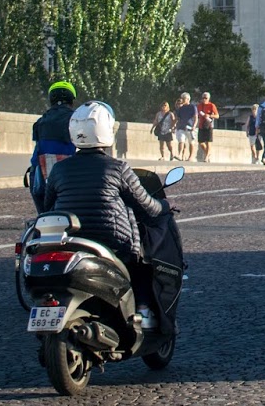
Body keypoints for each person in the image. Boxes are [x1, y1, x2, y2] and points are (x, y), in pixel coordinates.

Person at [38, 101, 165, 296]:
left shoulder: (59, 169)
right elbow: (146, 207)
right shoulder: (117, 168)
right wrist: (163, 206)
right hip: (113, 243)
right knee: (143, 269)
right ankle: (144, 313)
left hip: (71, 241)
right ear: (107, 130)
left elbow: (48, 207)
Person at [28, 81, 79, 210]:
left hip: (43, 180)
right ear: (71, 100)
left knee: (44, 214)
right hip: (69, 180)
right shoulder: (77, 120)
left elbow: (37, 156)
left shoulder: (40, 123)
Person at [172, 93, 196, 161]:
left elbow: (195, 117)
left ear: (188, 99)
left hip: (190, 127)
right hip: (181, 127)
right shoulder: (181, 108)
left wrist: (194, 126)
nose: (182, 100)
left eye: (184, 98)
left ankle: (191, 156)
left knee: (191, 142)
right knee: (181, 140)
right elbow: (177, 118)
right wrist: (173, 126)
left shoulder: (192, 107)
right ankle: (180, 154)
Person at [195, 92, 218, 162]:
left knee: (208, 142)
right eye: (203, 98)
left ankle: (207, 156)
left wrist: (209, 115)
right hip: (201, 125)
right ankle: (207, 153)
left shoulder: (212, 105)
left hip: (209, 125)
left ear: (208, 99)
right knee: (201, 142)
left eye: (206, 98)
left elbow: (217, 116)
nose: (204, 99)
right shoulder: (199, 106)